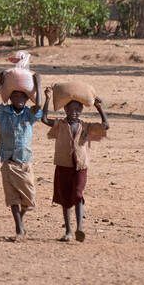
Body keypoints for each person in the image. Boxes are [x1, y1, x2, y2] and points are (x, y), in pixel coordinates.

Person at [43, 88, 109, 242]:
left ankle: (79, 228)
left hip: (80, 167)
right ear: (65, 109)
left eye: (77, 109)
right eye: (71, 109)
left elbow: (106, 126)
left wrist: (99, 108)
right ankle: (68, 230)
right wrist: (47, 99)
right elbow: (44, 119)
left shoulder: (86, 126)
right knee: (65, 198)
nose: (74, 112)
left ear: (81, 110)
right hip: (63, 165)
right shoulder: (60, 124)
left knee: (78, 195)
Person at [0, 69, 44, 239]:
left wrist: (38, 84)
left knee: (29, 197)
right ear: (10, 98)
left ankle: (21, 220)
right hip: (7, 161)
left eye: (23, 97)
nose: (19, 100)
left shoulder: (29, 114)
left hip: (24, 161)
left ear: (27, 99)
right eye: (16, 97)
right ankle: (19, 227)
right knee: (12, 198)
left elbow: (39, 106)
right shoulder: (3, 112)